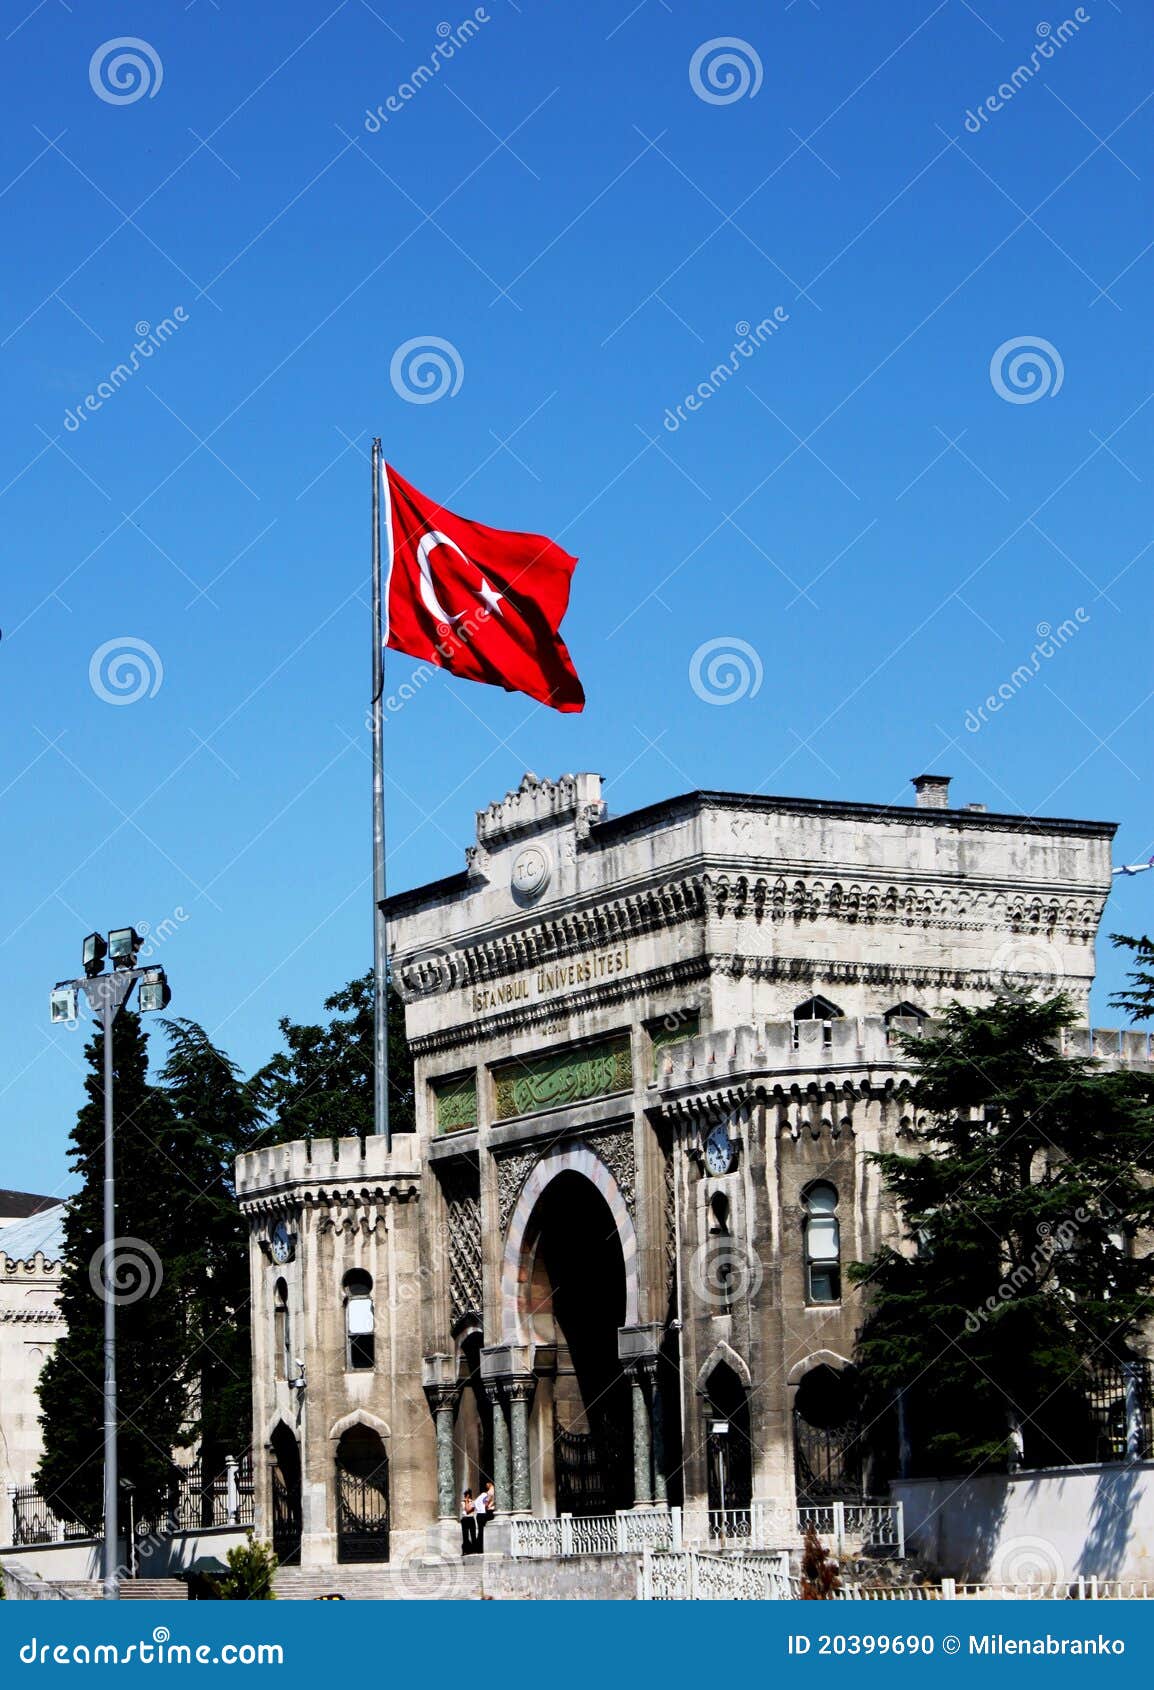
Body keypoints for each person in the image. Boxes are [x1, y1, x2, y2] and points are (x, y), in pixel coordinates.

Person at [460, 1487, 478, 1555]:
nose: (465, 1497)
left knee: (473, 1534)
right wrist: (466, 1501)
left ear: (469, 1495)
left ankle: (474, 1549)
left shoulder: (473, 1502)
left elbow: (468, 1510)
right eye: (465, 1495)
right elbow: (466, 1509)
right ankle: (465, 1550)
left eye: (466, 1495)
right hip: (465, 1519)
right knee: (465, 1535)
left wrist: (467, 1501)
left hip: (471, 1519)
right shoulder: (462, 1502)